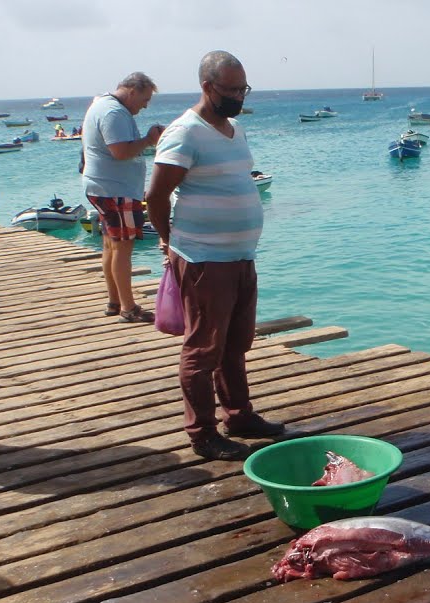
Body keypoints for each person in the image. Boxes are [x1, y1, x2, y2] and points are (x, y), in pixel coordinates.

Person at [147, 50, 285, 461]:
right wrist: (170, 243)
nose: (239, 96)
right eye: (232, 89)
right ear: (208, 87)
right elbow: (155, 195)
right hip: (204, 258)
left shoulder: (234, 129)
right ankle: (202, 433)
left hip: (241, 255)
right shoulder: (185, 131)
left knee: (234, 344)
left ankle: (239, 415)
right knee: (203, 348)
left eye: (244, 88)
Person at [81, 71, 164, 323]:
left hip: (104, 187)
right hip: (116, 190)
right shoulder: (113, 112)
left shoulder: (102, 105)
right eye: (145, 98)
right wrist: (149, 140)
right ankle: (128, 308)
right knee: (123, 248)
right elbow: (120, 151)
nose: (145, 104)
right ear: (132, 91)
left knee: (110, 245)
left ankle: (114, 301)